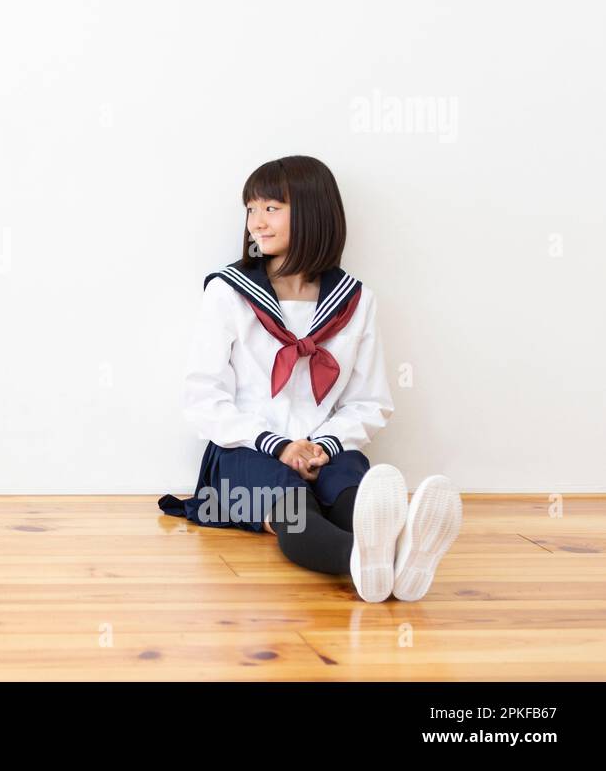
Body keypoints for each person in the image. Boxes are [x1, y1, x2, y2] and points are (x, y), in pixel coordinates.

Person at [158, 155, 462, 602]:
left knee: (350, 493)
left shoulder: (356, 301)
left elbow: (369, 400)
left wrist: (325, 445)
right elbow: (203, 397)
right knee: (294, 511)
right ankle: (369, 562)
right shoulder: (227, 293)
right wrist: (277, 445)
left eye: (271, 208)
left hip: (324, 446)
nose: (255, 224)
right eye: (250, 209)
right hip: (246, 449)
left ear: (314, 211)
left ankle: (400, 552)